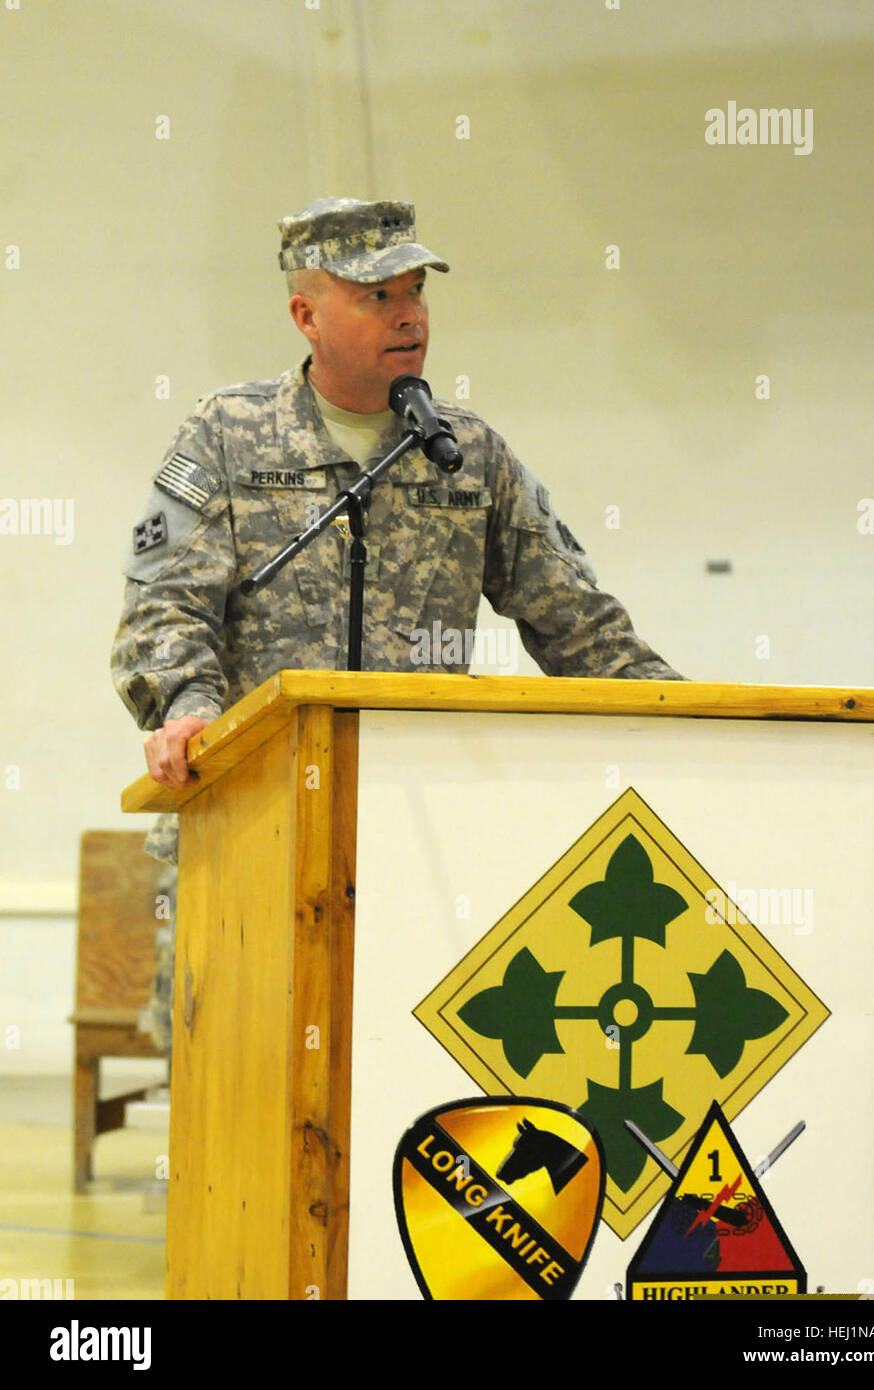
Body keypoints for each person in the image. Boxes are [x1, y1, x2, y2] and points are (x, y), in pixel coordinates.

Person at [111, 197, 684, 1052]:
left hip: (425, 842)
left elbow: (579, 624)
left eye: (415, 290)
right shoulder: (228, 435)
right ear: (306, 314)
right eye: (376, 295)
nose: (409, 313)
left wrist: (687, 721)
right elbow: (164, 603)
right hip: (250, 826)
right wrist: (186, 708)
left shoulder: (469, 453)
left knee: (411, 1085)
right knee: (239, 1090)